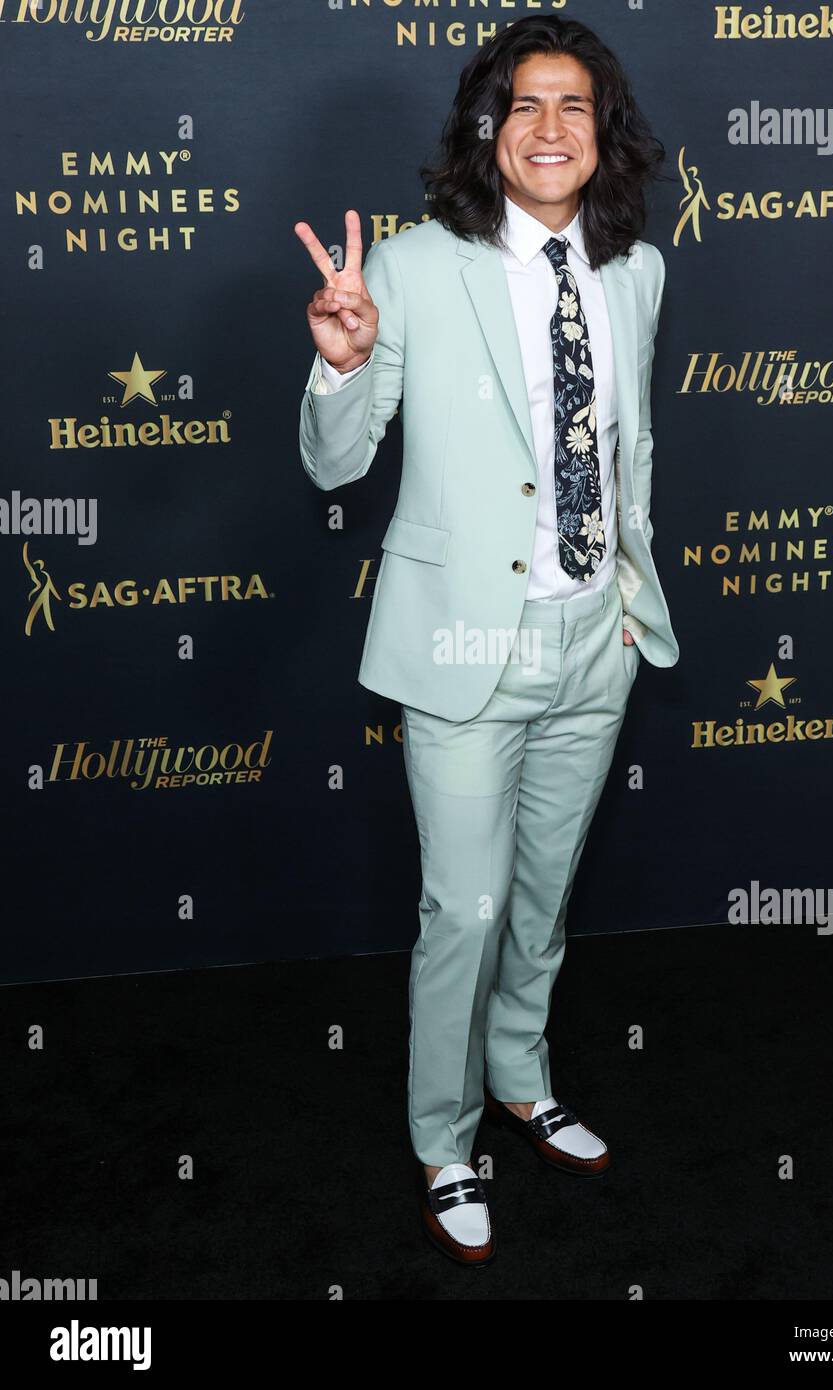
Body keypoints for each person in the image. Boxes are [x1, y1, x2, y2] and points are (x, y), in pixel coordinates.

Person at [295, 14, 678, 1267]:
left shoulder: (636, 272)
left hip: (592, 642)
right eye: (521, 105)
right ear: (485, 129)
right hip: (465, 650)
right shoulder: (409, 267)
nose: (547, 127)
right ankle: (445, 1139)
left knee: (542, 895)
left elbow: (631, 451)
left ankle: (523, 1077)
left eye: (572, 105)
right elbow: (334, 463)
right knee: (461, 903)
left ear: (601, 131)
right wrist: (341, 367)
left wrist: (624, 598)